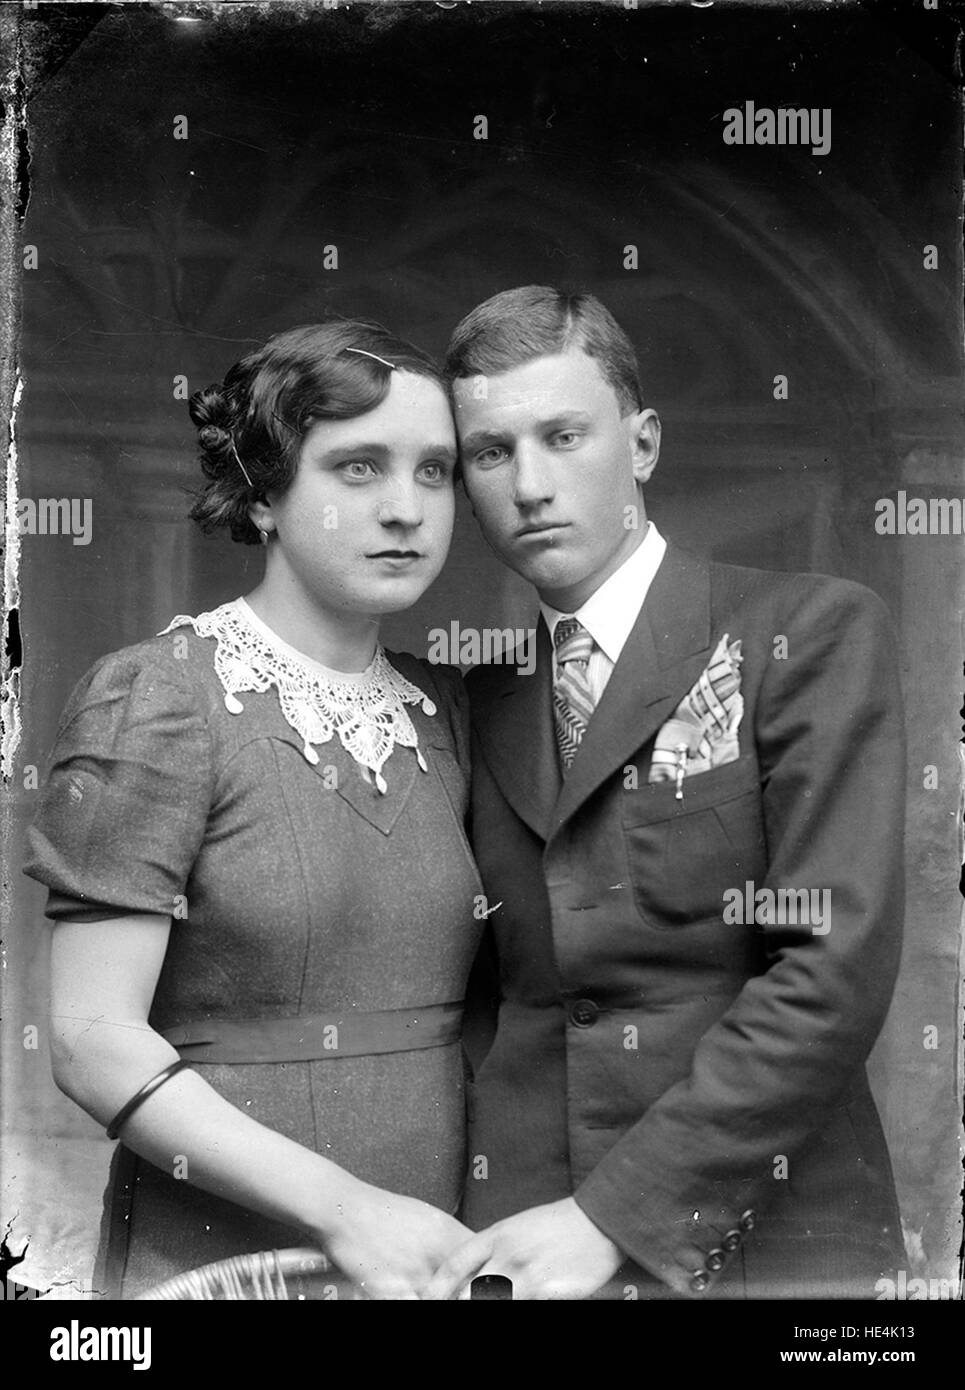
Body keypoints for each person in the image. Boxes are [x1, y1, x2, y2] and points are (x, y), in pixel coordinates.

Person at [425, 285, 906, 1301]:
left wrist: (614, 1215)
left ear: (640, 443)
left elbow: (829, 974)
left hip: (766, 1234)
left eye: (563, 435)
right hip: (519, 1238)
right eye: (490, 452)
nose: (530, 484)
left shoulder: (805, 633)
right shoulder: (477, 700)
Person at [24, 320, 484, 1300]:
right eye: (358, 468)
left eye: (434, 472)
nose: (404, 509)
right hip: (219, 1261)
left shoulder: (449, 713)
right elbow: (90, 1038)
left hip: (437, 1251)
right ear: (266, 491)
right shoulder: (158, 694)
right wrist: (346, 1210)